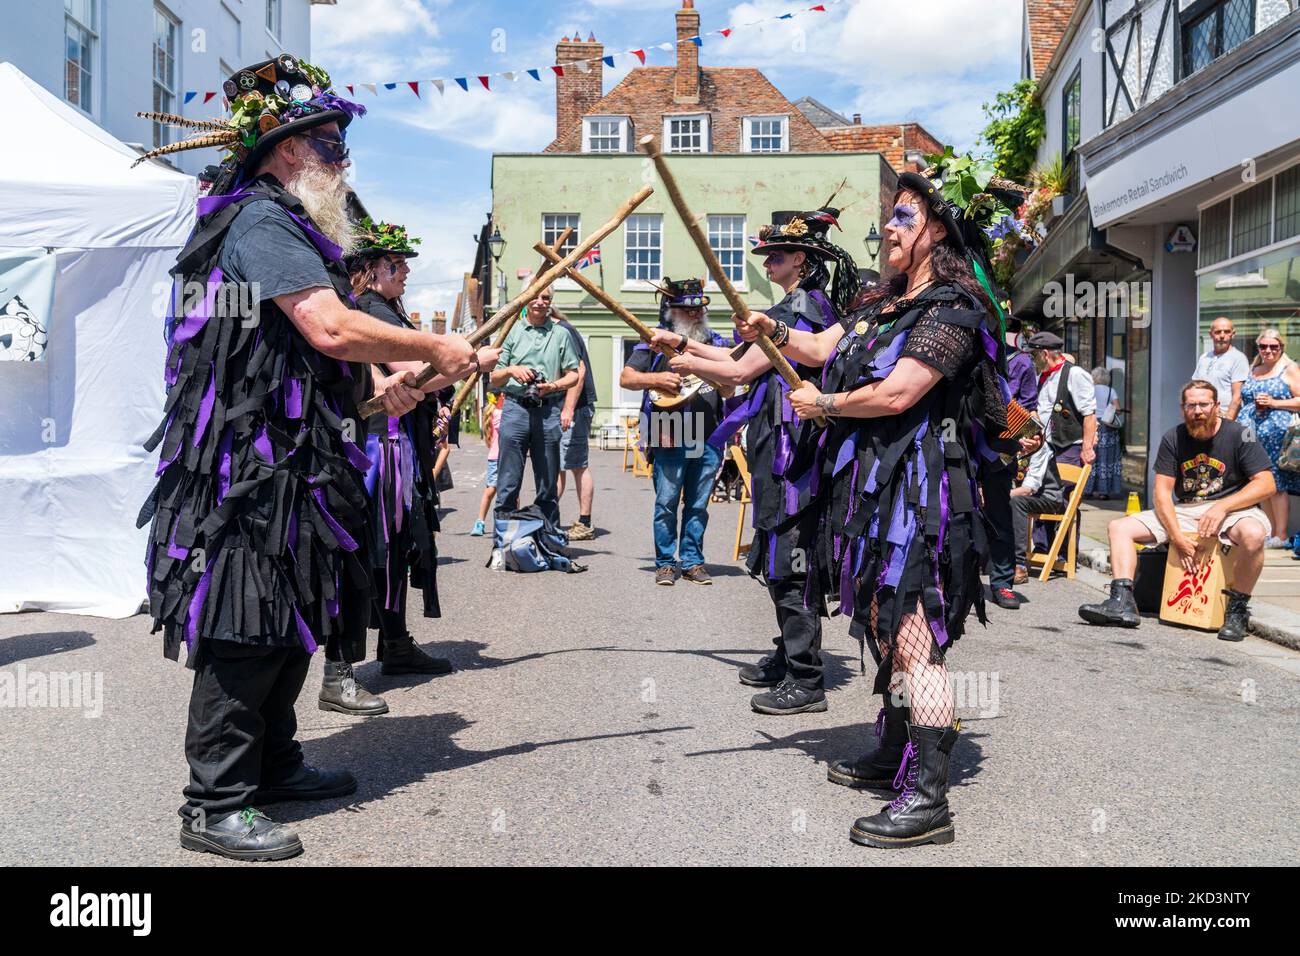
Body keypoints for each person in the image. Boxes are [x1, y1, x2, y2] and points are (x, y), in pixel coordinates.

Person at [135, 56, 478, 860]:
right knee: (245, 620)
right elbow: (327, 325)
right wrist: (430, 341)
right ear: (286, 151)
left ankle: (277, 762)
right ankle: (213, 802)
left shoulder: (289, 228)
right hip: (249, 469)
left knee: (291, 612)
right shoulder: (261, 221)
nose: (342, 161)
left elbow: (315, 350)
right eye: (330, 146)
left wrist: (386, 385)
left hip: (300, 459)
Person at [736, 155, 1024, 848]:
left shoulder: (953, 308)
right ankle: (895, 754)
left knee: (916, 638)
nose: (887, 228)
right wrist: (772, 333)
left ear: (937, 231)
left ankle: (928, 800)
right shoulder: (878, 305)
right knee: (881, 622)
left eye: (903, 216)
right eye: (889, 216)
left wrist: (825, 404)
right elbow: (815, 344)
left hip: (924, 495)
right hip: (873, 499)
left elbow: (900, 392)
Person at [652, 205, 860, 714]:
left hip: (796, 457)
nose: (766, 263)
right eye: (766, 255)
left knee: (791, 560)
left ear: (804, 261)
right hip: (776, 446)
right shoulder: (789, 307)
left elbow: (741, 372)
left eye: (776, 255)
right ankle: (788, 657)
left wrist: (686, 354)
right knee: (776, 554)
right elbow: (740, 363)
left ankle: (807, 679)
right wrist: (683, 344)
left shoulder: (805, 310)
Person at [316, 217, 497, 717]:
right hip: (370, 455)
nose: (406, 274)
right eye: (396, 266)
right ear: (371, 271)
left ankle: (394, 645)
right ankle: (338, 672)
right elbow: (412, 376)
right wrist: (476, 361)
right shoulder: (367, 311)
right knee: (360, 556)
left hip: (396, 453)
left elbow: (417, 383)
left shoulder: (388, 313)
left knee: (397, 548)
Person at [1079, 380, 1275, 641]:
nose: (1198, 411)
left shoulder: (1240, 434)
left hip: (1233, 508)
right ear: (1183, 408)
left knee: (1253, 534)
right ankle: (1122, 602)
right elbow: (1161, 494)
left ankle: (1237, 610)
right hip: (1187, 509)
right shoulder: (1173, 437)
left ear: (1217, 406)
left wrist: (1222, 507)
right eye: (1191, 405)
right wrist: (1177, 538)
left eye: (1204, 404)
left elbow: (1266, 483)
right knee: (1119, 527)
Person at [621, 278, 729, 586]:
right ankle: (666, 563)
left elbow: (733, 383)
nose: (694, 316)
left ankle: (693, 561)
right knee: (667, 501)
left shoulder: (716, 343)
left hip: (708, 430)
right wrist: (656, 379)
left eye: (698, 311)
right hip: (669, 428)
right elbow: (627, 378)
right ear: (672, 311)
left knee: (698, 503)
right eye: (686, 310)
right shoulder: (653, 341)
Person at [487, 288, 580, 569]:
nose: (540, 303)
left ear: (551, 302)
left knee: (548, 484)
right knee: (508, 483)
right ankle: (501, 546)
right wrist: (514, 370)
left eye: (546, 298)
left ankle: (550, 543)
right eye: (536, 297)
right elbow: (493, 375)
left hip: (549, 408)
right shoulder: (511, 331)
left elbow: (574, 374)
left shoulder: (561, 333)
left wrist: (552, 386)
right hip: (515, 408)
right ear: (526, 301)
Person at [1013, 330, 1097, 583]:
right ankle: (1042, 549)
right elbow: (1042, 413)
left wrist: (1087, 448)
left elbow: (1089, 413)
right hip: (1047, 446)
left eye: (1034, 355)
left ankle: (1060, 552)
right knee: (1040, 492)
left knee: (1061, 497)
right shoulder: (1043, 377)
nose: (1031, 360)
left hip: (1070, 445)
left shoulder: (1075, 374)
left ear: (1045, 353)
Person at [984, 315, 1040, 609]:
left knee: (999, 514)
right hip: (965, 439)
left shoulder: (1020, 361)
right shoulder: (968, 353)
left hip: (1004, 444)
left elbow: (1029, 408)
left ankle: (1002, 581)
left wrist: (1030, 436)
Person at [1239, 328, 1300, 547]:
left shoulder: (1289, 369)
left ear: (1281, 347)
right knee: (1260, 482)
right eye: (1263, 346)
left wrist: (1274, 403)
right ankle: (1270, 532)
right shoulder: (1254, 369)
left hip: (1278, 438)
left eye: (1273, 346)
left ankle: (1281, 535)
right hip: (1251, 434)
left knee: (1277, 484)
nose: (1268, 350)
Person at [555, 308, 598, 541]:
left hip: (576, 408)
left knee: (577, 464)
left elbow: (579, 371)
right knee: (558, 466)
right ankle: (548, 518)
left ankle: (585, 523)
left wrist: (569, 408)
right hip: (566, 407)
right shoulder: (558, 328)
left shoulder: (563, 330)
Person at [1193, 316, 1250, 419]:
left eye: (1226, 332)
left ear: (1233, 334)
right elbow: (1196, 386)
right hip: (1202, 415)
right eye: (1218, 332)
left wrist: (1228, 421)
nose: (1222, 336)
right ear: (1211, 334)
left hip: (1223, 416)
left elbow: (1237, 396)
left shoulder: (1238, 358)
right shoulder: (1204, 357)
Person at [1085, 365, 1123, 499]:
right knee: (1106, 460)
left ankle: (1087, 490)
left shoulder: (1090, 390)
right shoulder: (1111, 391)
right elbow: (1118, 409)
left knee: (1091, 458)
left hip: (1093, 426)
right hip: (1107, 428)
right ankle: (1103, 492)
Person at [471, 393, 503, 537]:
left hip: (502, 457)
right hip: (498, 457)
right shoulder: (499, 413)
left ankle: (512, 520)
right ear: (502, 395)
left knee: (506, 491)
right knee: (492, 490)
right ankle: (480, 521)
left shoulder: (496, 412)